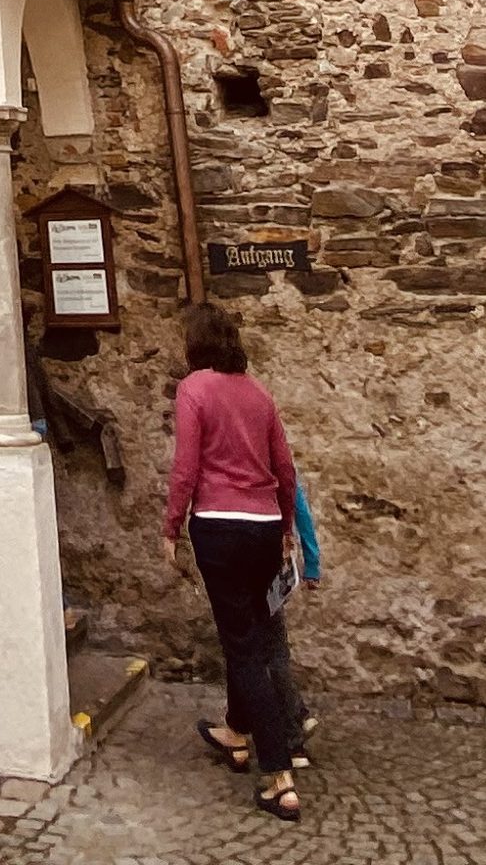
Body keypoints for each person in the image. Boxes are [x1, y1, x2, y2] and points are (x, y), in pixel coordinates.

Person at [163, 298, 316, 823]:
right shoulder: (259, 395)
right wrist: (288, 530)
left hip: (219, 527)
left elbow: (185, 467)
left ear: (195, 343)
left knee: (243, 646)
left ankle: (279, 776)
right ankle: (234, 730)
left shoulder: (194, 390)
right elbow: (285, 470)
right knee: (248, 632)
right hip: (264, 525)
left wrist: (171, 527)